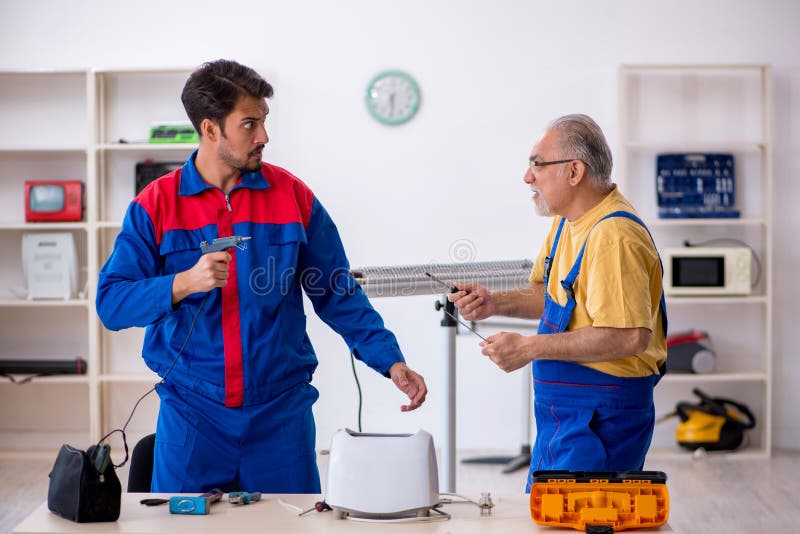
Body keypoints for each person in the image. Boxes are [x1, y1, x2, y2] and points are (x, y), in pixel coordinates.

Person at [96, 59, 427, 493]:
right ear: (211, 129)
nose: (264, 137)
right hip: (193, 415)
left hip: (280, 416)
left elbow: (336, 292)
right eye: (249, 124)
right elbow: (112, 304)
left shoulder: (293, 196)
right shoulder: (156, 205)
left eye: (264, 121)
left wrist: (390, 360)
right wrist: (183, 283)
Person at [449, 114, 667, 491]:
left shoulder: (613, 237)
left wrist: (530, 347)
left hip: (602, 418)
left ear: (574, 171)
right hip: (566, 414)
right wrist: (494, 303)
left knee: (584, 520)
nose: (527, 177)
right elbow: (550, 295)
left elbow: (628, 336)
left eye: (537, 164)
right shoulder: (569, 221)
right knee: (551, 517)